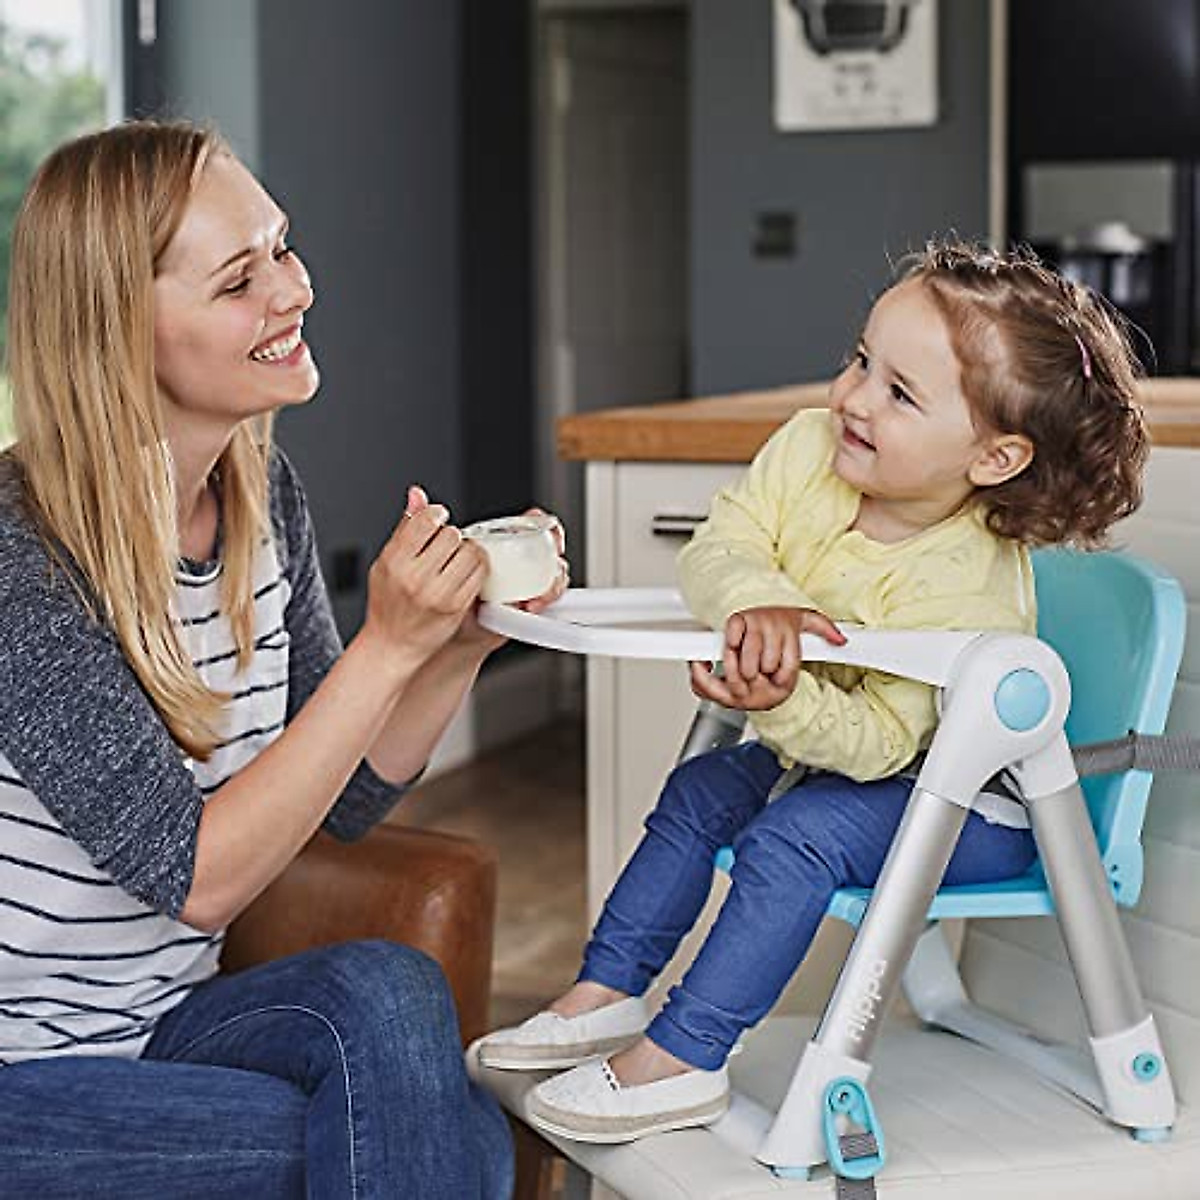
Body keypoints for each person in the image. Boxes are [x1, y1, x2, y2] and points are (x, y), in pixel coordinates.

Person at [0, 119, 565, 1197]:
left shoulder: (262, 497)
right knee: (461, 1146)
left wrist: (453, 648)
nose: (294, 290)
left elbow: (344, 796)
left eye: (282, 247)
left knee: (392, 993)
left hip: (161, 1024)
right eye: (236, 279)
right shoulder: (19, 559)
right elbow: (201, 881)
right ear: (121, 332)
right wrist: (385, 646)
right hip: (18, 1075)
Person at [478, 239, 1149, 1143]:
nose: (854, 398)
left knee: (794, 839)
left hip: (970, 809)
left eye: (899, 393)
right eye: (862, 361)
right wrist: (759, 603)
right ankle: (606, 992)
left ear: (993, 458)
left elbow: (879, 743)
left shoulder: (965, 584)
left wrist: (774, 698)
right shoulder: (809, 448)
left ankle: (684, 1056)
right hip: (837, 768)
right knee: (701, 789)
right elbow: (725, 544)